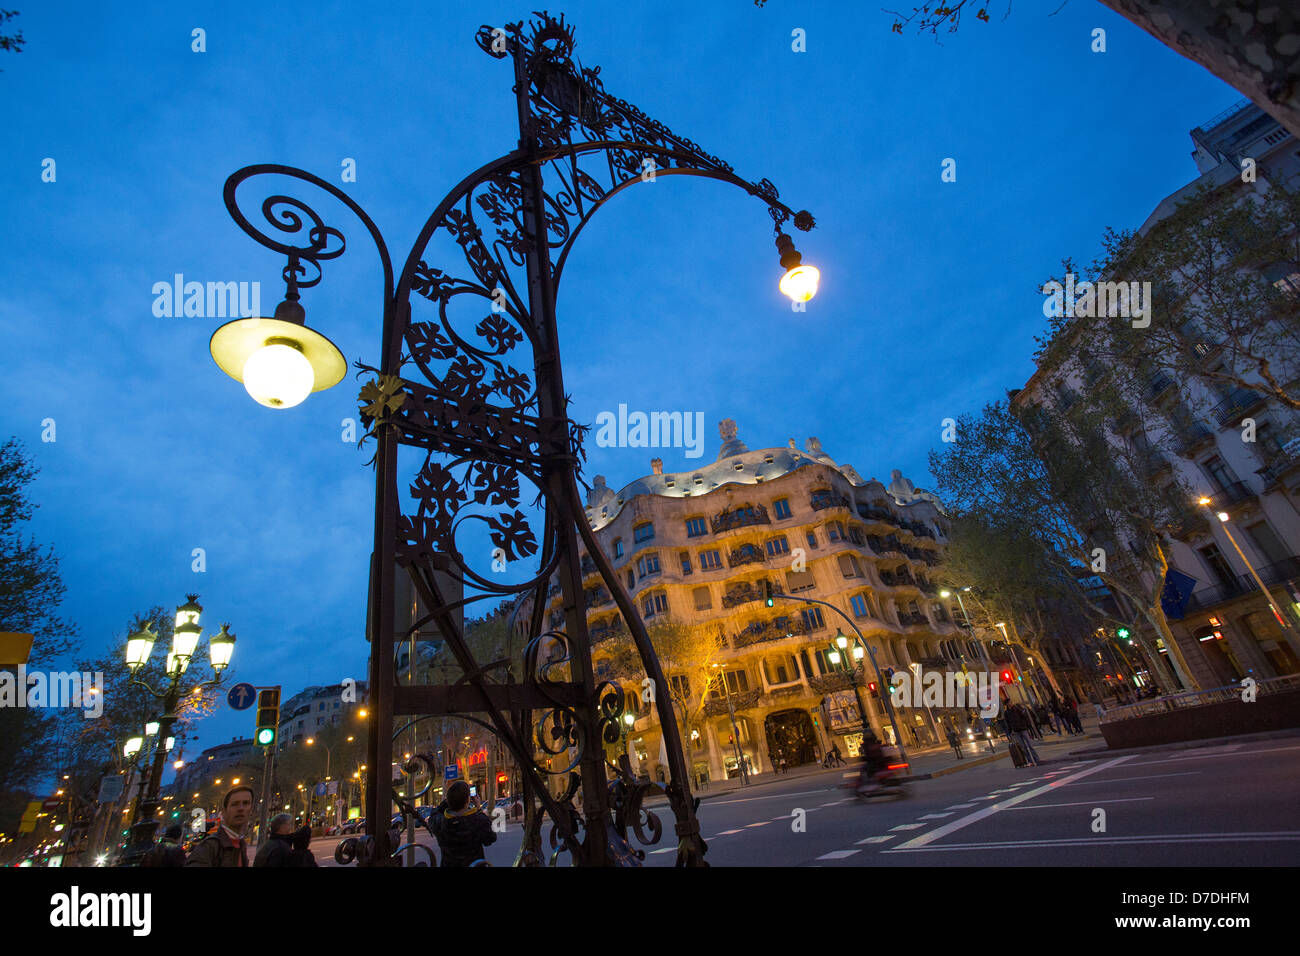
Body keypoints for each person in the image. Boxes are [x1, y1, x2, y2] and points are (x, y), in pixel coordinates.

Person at [428, 780, 497, 867]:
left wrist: (448, 800)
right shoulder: (478, 820)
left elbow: (435, 812)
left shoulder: (440, 823)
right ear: (468, 800)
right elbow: (490, 839)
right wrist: (478, 809)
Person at [185, 785, 255, 867]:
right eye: (234, 804)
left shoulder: (241, 844)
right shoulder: (208, 847)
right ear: (224, 811)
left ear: (251, 810)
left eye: (246, 803)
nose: (241, 808)